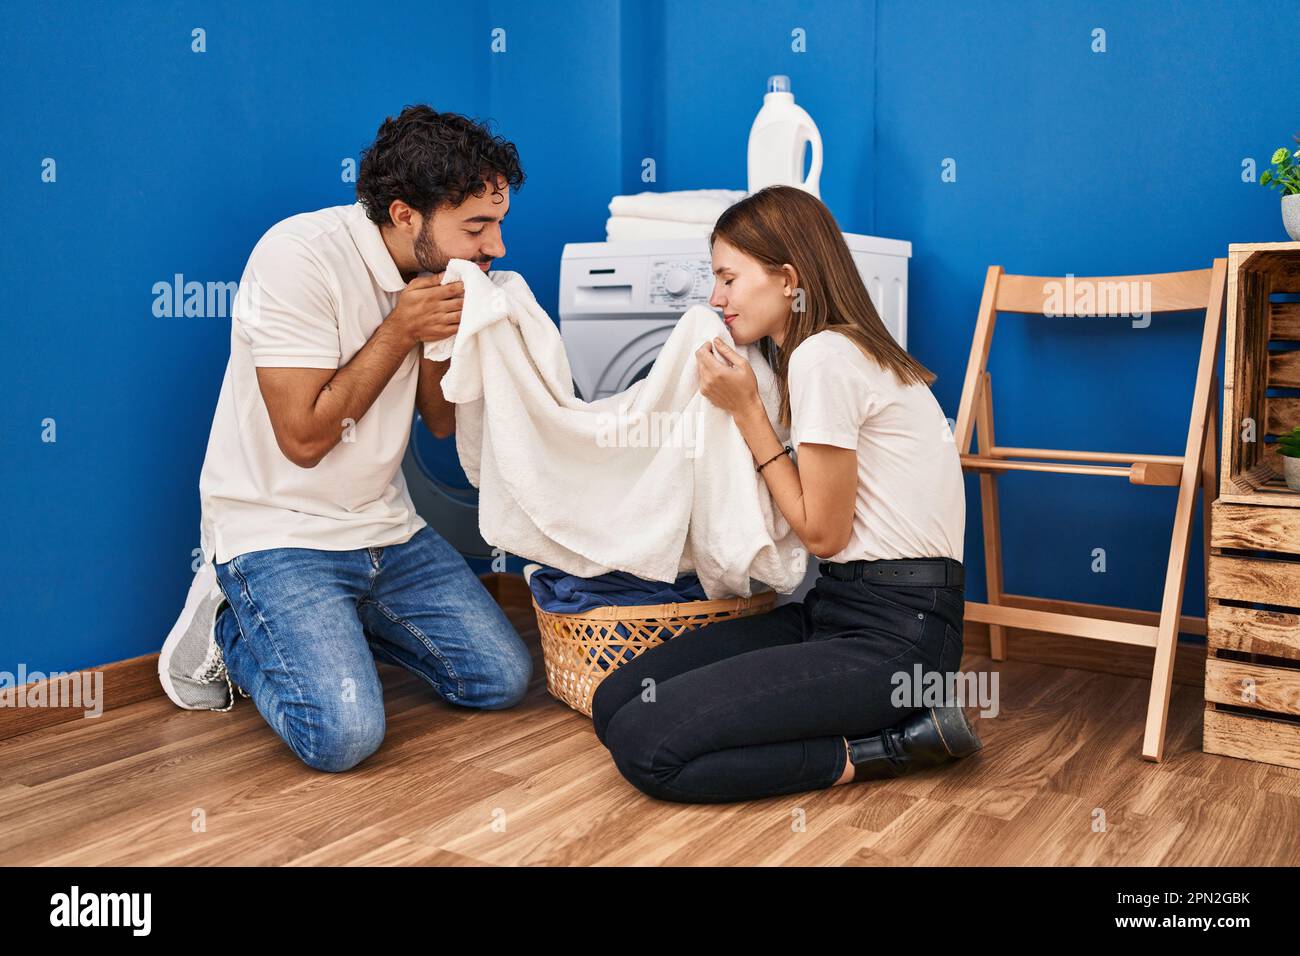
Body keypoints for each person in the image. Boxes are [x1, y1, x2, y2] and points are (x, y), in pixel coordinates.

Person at [158, 106, 533, 773]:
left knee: (500, 681)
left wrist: (452, 332)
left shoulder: (431, 277)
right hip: (278, 528)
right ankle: (229, 619)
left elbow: (441, 423)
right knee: (343, 737)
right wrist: (398, 330)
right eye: (477, 227)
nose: (495, 247)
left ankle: (331, 626)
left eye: (498, 224)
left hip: (382, 526)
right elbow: (302, 439)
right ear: (405, 214)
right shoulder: (295, 256)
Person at [591, 185, 983, 803]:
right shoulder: (832, 349)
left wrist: (747, 410)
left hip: (900, 638)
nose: (715, 298)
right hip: (836, 610)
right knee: (615, 700)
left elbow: (824, 533)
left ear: (787, 278)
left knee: (647, 748)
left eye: (727, 277)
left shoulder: (825, 355)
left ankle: (884, 748)